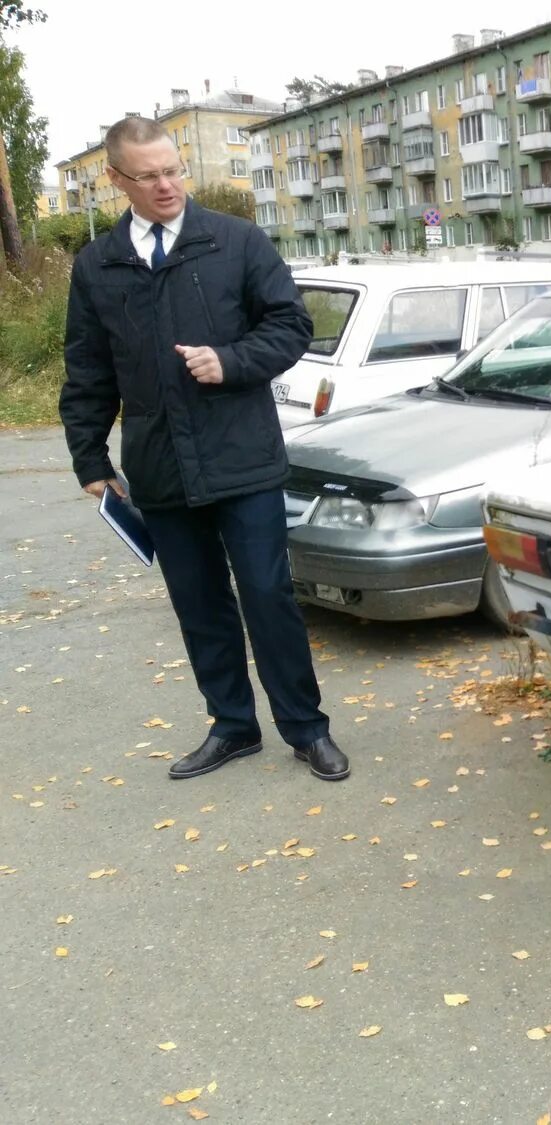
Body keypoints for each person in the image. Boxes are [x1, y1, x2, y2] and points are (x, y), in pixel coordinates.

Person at [58, 116, 349, 782]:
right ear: (116, 180)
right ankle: (233, 726)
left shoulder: (236, 241)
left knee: (268, 594)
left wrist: (231, 360)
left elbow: (291, 324)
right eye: (148, 175)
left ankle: (306, 729)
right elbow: (88, 371)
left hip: (241, 457)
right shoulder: (98, 266)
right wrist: (90, 460)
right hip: (160, 468)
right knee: (198, 603)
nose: (166, 185)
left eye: (173, 170)